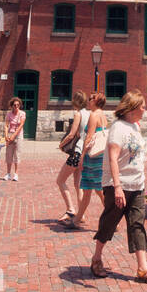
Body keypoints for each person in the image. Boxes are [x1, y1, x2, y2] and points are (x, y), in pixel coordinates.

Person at [89, 91, 147, 285]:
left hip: (137, 185)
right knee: (109, 223)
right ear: (132, 108)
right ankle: (96, 258)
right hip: (118, 184)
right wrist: (117, 187)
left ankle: (143, 268)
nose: (145, 109)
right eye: (143, 106)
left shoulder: (135, 126)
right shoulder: (118, 128)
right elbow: (113, 158)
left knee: (137, 224)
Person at [66, 92, 107, 229]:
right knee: (90, 188)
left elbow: (89, 138)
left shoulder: (94, 115)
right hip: (101, 154)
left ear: (96, 102)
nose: (88, 101)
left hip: (92, 155)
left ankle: (113, 219)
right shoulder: (103, 115)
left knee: (97, 189)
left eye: (91, 99)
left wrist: (82, 157)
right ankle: (77, 219)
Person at [55, 91, 90, 223]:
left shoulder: (78, 114)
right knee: (78, 184)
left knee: (60, 180)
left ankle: (71, 209)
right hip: (84, 153)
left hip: (77, 152)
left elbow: (71, 134)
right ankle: (81, 214)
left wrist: (61, 145)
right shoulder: (90, 114)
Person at [3, 97, 25, 182]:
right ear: (11, 106)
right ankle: (8, 173)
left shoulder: (22, 114)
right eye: (14, 105)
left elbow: (21, 125)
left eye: (18, 105)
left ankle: (16, 174)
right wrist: (6, 135)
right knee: (9, 154)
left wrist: (13, 136)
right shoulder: (9, 114)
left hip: (18, 135)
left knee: (17, 154)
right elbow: (6, 125)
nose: (16, 106)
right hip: (10, 134)